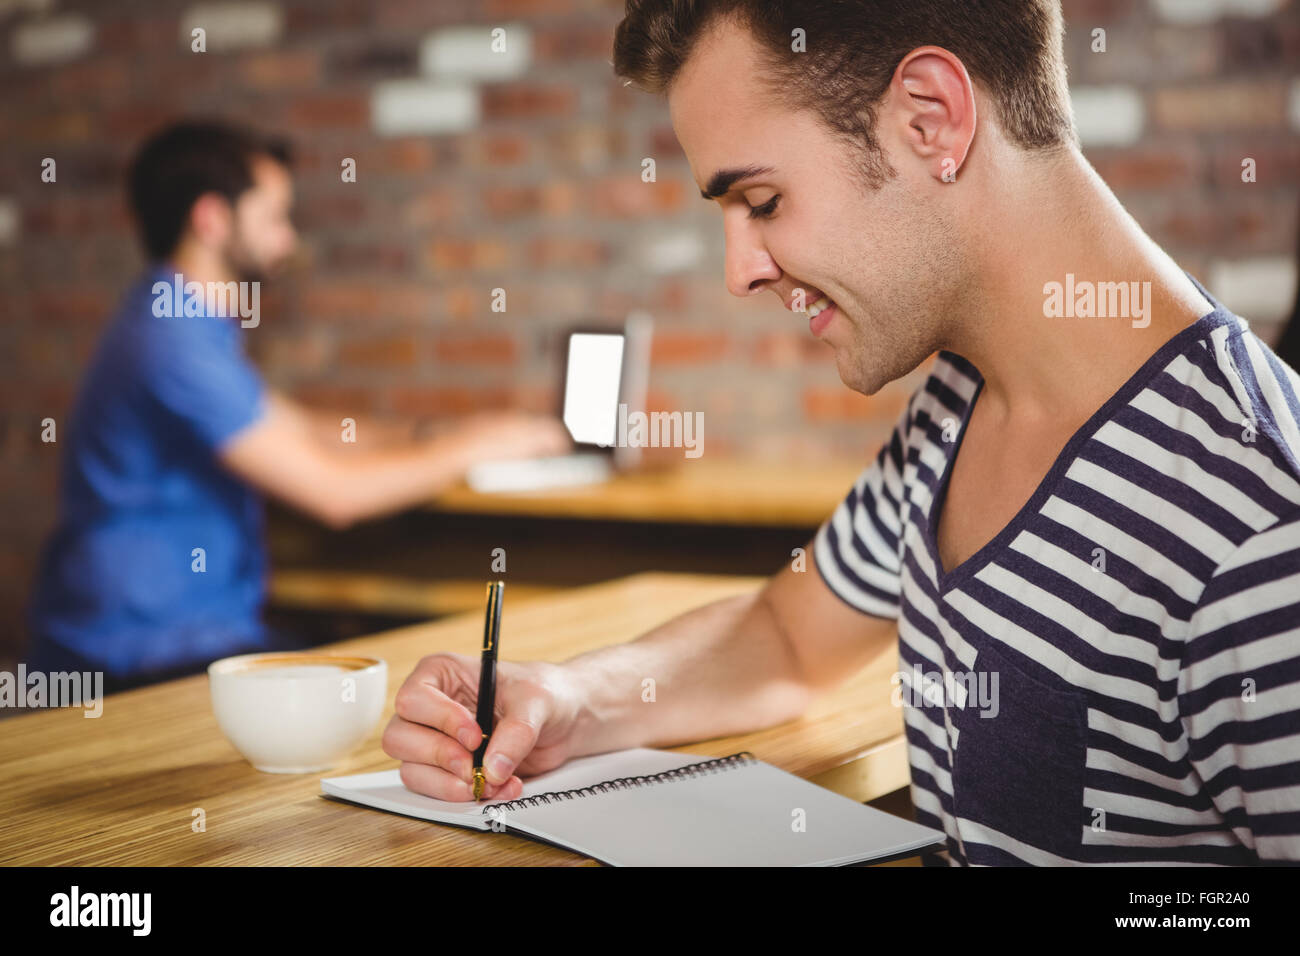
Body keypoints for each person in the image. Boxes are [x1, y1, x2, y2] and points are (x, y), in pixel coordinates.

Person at [381, 1, 1300, 864]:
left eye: (763, 203)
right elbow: (789, 634)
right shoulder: (956, 401)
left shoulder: (1259, 529)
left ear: (930, 118)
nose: (739, 272)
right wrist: (570, 699)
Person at [27, 121, 569, 693]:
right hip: (138, 653)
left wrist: (440, 430)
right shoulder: (172, 338)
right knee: (400, 684)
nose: (287, 241)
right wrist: (477, 448)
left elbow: (299, 429)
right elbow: (336, 494)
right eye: (275, 218)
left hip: (173, 635)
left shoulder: (181, 319)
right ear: (211, 218)